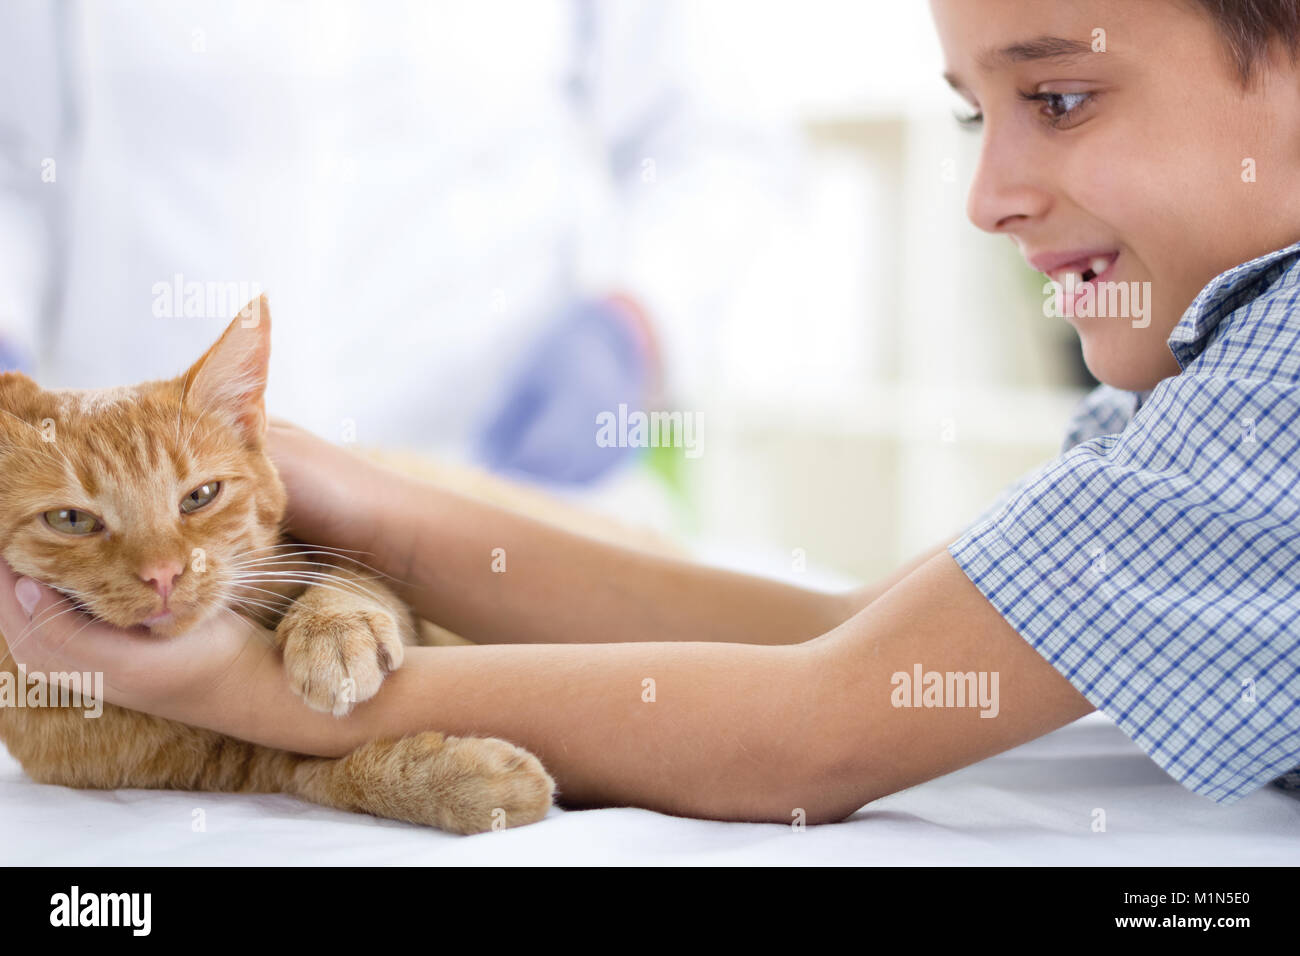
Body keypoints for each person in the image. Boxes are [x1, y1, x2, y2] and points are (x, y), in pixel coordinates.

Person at [3, 0, 1299, 821]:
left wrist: (247, 695)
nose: (986, 194)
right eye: (974, 115)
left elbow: (812, 727)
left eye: (1059, 98)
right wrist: (385, 514)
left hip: (505, 438)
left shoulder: (1263, 401)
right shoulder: (1200, 382)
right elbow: (854, 629)